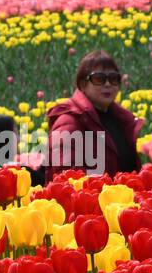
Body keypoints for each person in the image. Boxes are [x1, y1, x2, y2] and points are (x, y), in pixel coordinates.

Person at [46, 51, 143, 179]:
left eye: (113, 79)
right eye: (99, 79)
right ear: (82, 84)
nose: (107, 84)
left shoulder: (122, 121)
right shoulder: (69, 122)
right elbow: (67, 178)